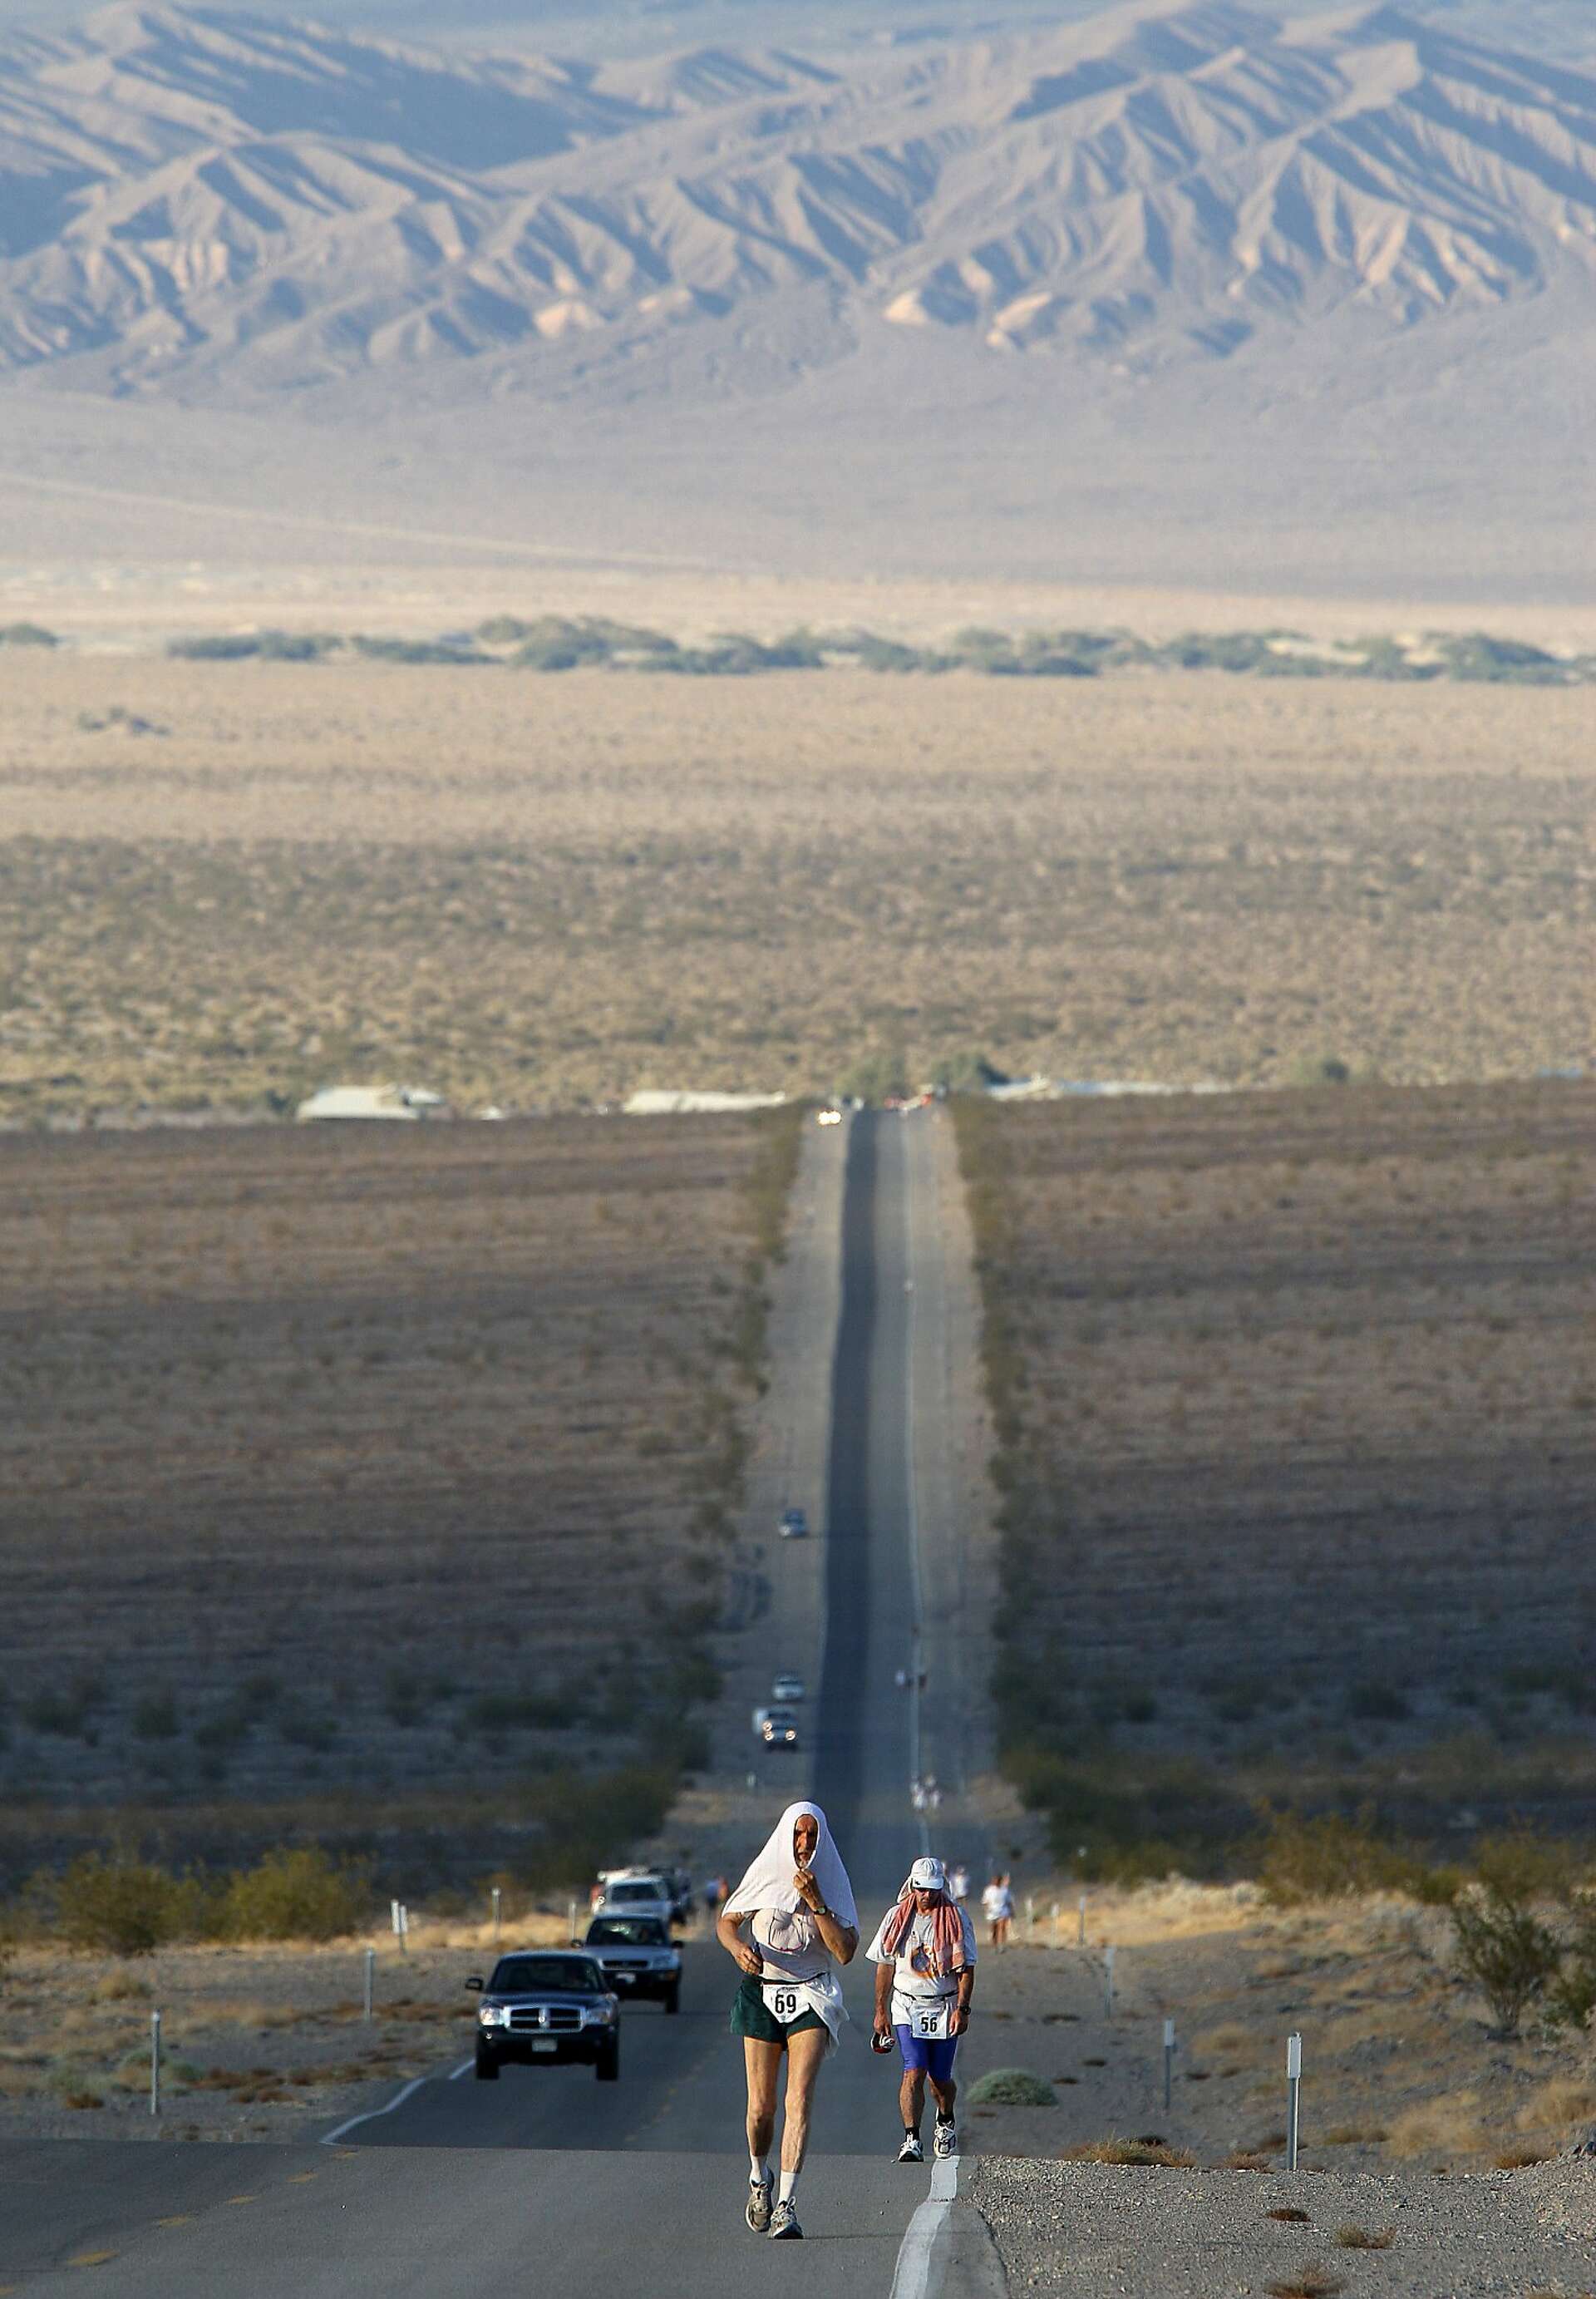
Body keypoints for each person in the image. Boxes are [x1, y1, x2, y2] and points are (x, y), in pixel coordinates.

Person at [717, 1800, 859, 2242]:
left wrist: (818, 1903)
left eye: (811, 1837)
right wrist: (737, 1949)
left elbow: (846, 1951)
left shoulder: (831, 1881)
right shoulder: (765, 1871)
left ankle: (787, 2206)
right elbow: (727, 1922)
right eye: (798, 1835)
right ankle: (760, 2179)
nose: (804, 1845)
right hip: (762, 1993)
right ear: (785, 1836)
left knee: (798, 2099)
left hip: (812, 1994)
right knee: (762, 2108)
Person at [868, 1855, 977, 2163]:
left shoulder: (957, 1918)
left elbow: (966, 1967)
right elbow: (884, 1964)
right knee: (913, 2070)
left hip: (944, 2005)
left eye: (932, 1888)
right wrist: (880, 2010)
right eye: (921, 1889)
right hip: (906, 2004)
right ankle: (911, 2139)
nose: (927, 1895)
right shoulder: (895, 1918)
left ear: (941, 1887)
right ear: (912, 1886)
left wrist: (963, 2009)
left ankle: (945, 2119)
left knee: (939, 2078)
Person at [980, 1871, 1013, 1949]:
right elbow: (985, 1902)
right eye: (995, 1880)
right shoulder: (988, 1890)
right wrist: (986, 1909)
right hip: (992, 1912)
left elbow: (1009, 1902)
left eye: (998, 1880)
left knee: (1002, 1928)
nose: (996, 1881)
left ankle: (1002, 1944)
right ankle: (994, 1944)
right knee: (994, 1929)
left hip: (1003, 1911)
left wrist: (1012, 1911)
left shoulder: (1005, 1890)